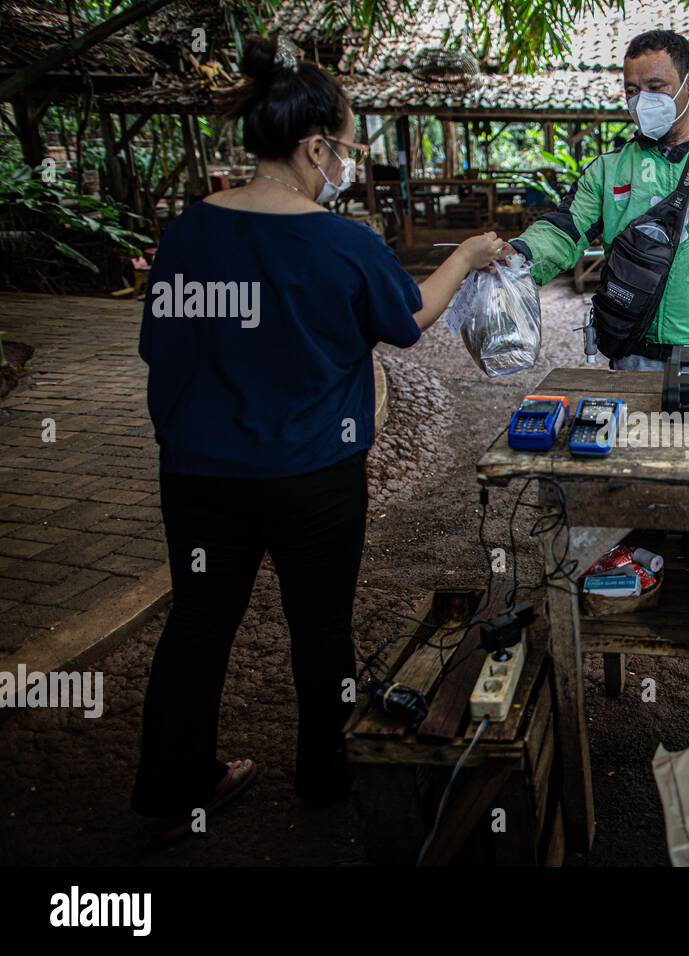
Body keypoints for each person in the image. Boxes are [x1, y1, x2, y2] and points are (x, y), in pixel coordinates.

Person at [131, 34, 504, 839]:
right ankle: (325, 779)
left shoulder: (189, 232)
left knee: (198, 623)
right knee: (321, 627)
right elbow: (407, 320)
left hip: (199, 475)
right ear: (313, 147)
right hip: (312, 476)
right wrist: (470, 254)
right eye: (343, 146)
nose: (345, 162)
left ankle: (170, 789)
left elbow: (158, 346)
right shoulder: (343, 243)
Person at [510, 29, 689, 374]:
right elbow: (564, 230)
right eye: (632, 90)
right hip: (636, 350)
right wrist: (518, 255)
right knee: (642, 431)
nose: (641, 100)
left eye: (655, 87)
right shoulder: (608, 170)